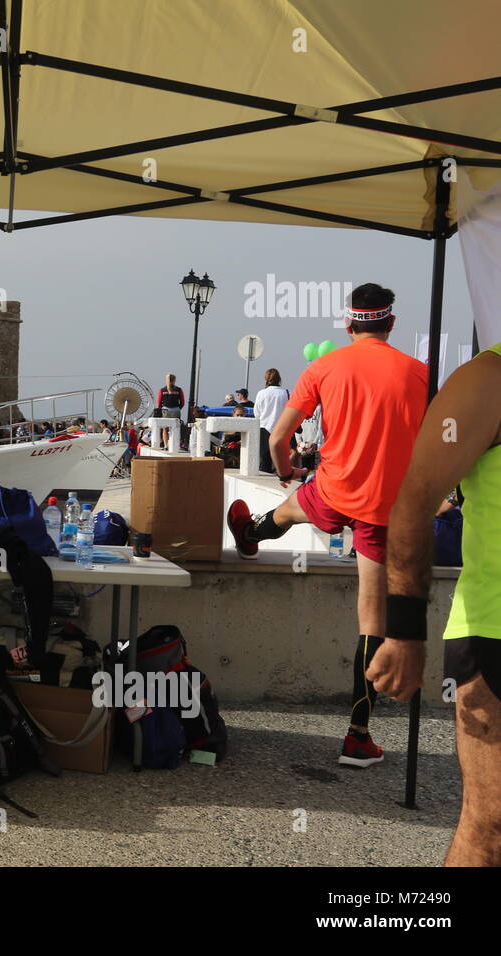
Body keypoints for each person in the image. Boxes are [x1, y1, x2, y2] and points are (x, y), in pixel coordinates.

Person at [226, 284, 427, 766]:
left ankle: (250, 534)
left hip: (334, 488)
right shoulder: (421, 374)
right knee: (371, 619)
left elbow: (278, 437)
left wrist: (284, 470)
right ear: (391, 323)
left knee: (293, 505)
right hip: (387, 508)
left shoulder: (325, 366)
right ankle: (358, 736)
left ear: (348, 323)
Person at [370, 342, 501, 865]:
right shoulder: (487, 380)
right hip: (494, 631)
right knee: (492, 826)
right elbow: (414, 504)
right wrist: (404, 632)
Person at [254, 368, 292, 473]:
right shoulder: (286, 393)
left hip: (264, 429)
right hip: (282, 429)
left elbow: (257, 413)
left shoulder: (261, 393)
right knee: (282, 461)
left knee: (264, 462)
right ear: (279, 379)